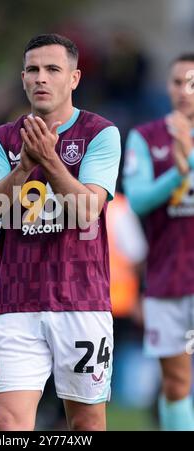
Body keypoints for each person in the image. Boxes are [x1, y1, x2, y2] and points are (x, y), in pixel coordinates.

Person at [0, 33, 121, 431]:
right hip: (15, 303)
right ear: (23, 78)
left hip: (82, 302)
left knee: (86, 425)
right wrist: (23, 168)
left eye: (53, 69)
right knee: (8, 424)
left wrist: (49, 161)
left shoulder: (101, 133)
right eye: (34, 70)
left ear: (74, 78)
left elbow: (88, 208)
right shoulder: (3, 138)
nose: (42, 78)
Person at [123, 53, 194, 431]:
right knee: (176, 382)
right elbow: (137, 200)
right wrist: (181, 173)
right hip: (168, 279)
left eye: (192, 82)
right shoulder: (147, 137)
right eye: (177, 82)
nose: (184, 91)